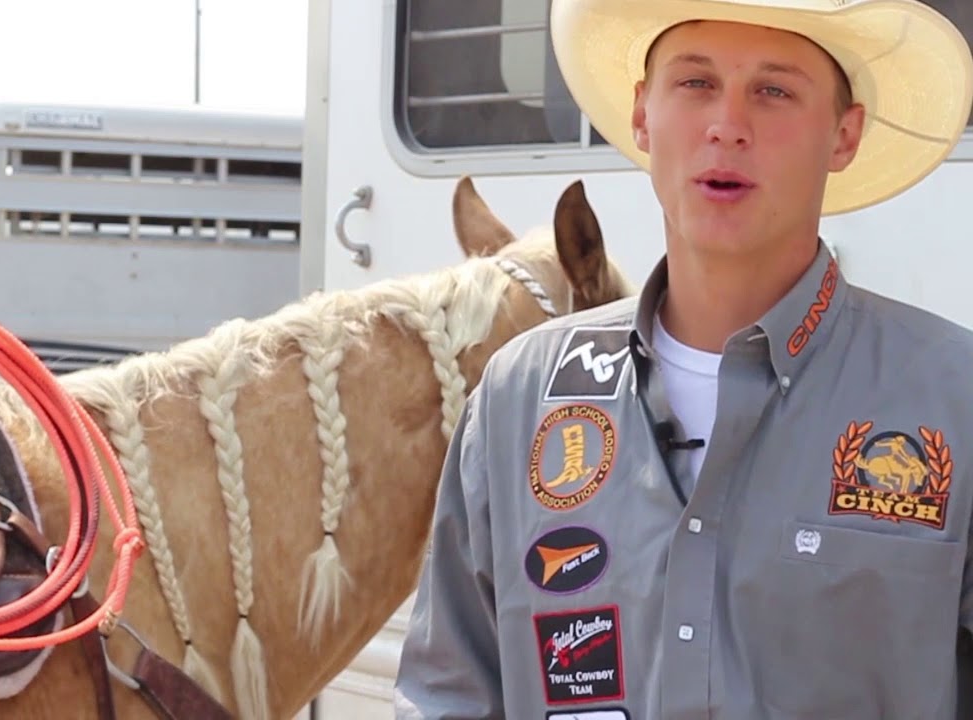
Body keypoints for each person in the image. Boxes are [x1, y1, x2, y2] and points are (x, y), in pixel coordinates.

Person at [393, 1, 973, 718]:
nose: (727, 125)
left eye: (774, 90)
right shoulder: (517, 400)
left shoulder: (954, 400)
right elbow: (448, 695)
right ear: (643, 116)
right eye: (695, 83)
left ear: (843, 135)